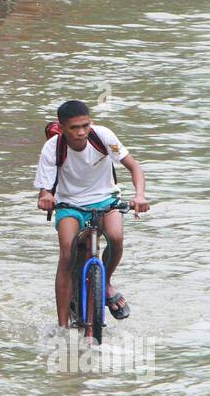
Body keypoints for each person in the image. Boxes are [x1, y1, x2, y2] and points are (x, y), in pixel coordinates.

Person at [34, 100, 149, 327]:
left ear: (91, 122)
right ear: (62, 128)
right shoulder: (52, 148)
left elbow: (134, 167)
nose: (81, 132)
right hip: (70, 205)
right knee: (67, 254)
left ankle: (105, 282)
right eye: (74, 128)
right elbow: (45, 189)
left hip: (107, 199)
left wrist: (140, 195)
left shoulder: (103, 136)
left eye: (85, 125)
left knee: (116, 238)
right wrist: (45, 197)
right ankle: (62, 325)